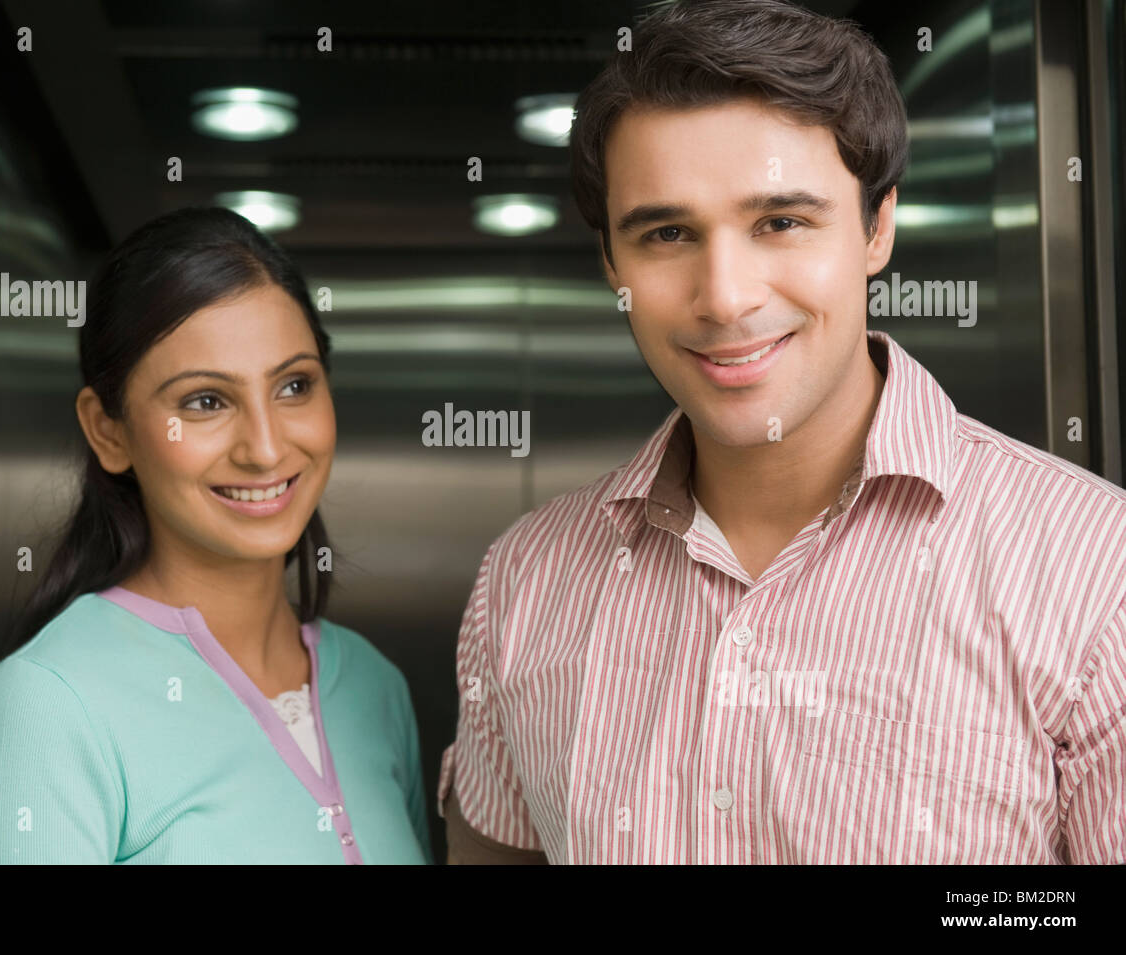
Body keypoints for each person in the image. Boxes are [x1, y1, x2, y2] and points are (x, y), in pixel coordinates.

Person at [439, 0, 1126, 864]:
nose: (725, 296)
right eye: (667, 233)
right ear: (613, 262)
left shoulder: (1101, 572)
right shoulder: (524, 582)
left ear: (877, 226)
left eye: (781, 222)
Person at [0, 207, 432, 864]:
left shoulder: (376, 690)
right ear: (108, 430)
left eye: (294, 385)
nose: (265, 448)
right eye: (205, 400)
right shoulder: (47, 706)